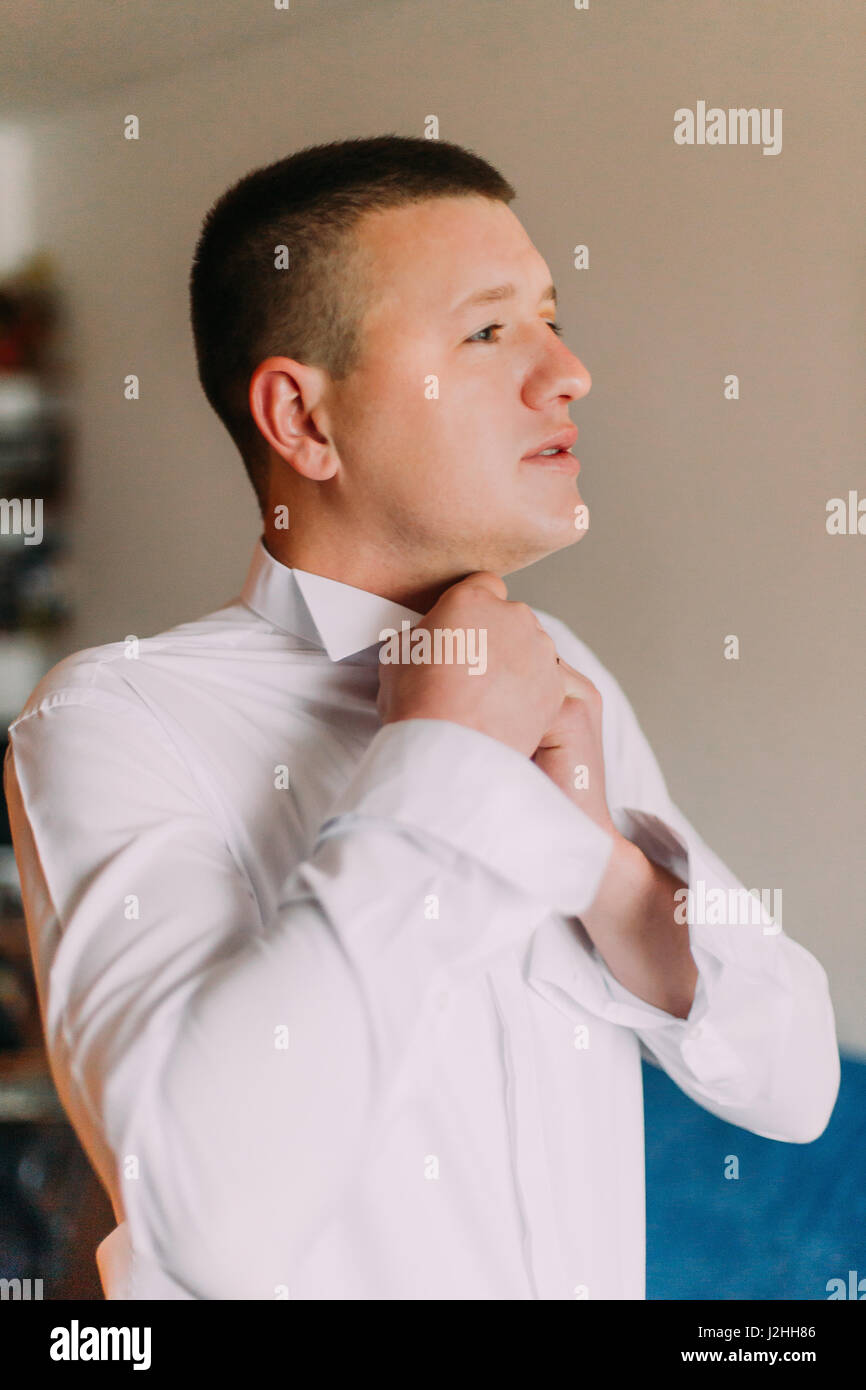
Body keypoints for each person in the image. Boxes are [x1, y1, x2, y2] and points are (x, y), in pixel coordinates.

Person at [3, 135, 839, 1301]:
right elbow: (203, 1216)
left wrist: (595, 857)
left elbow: (795, 1086)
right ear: (302, 420)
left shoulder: (561, 681)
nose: (568, 372)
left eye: (551, 317)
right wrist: (439, 759)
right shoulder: (112, 716)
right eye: (489, 331)